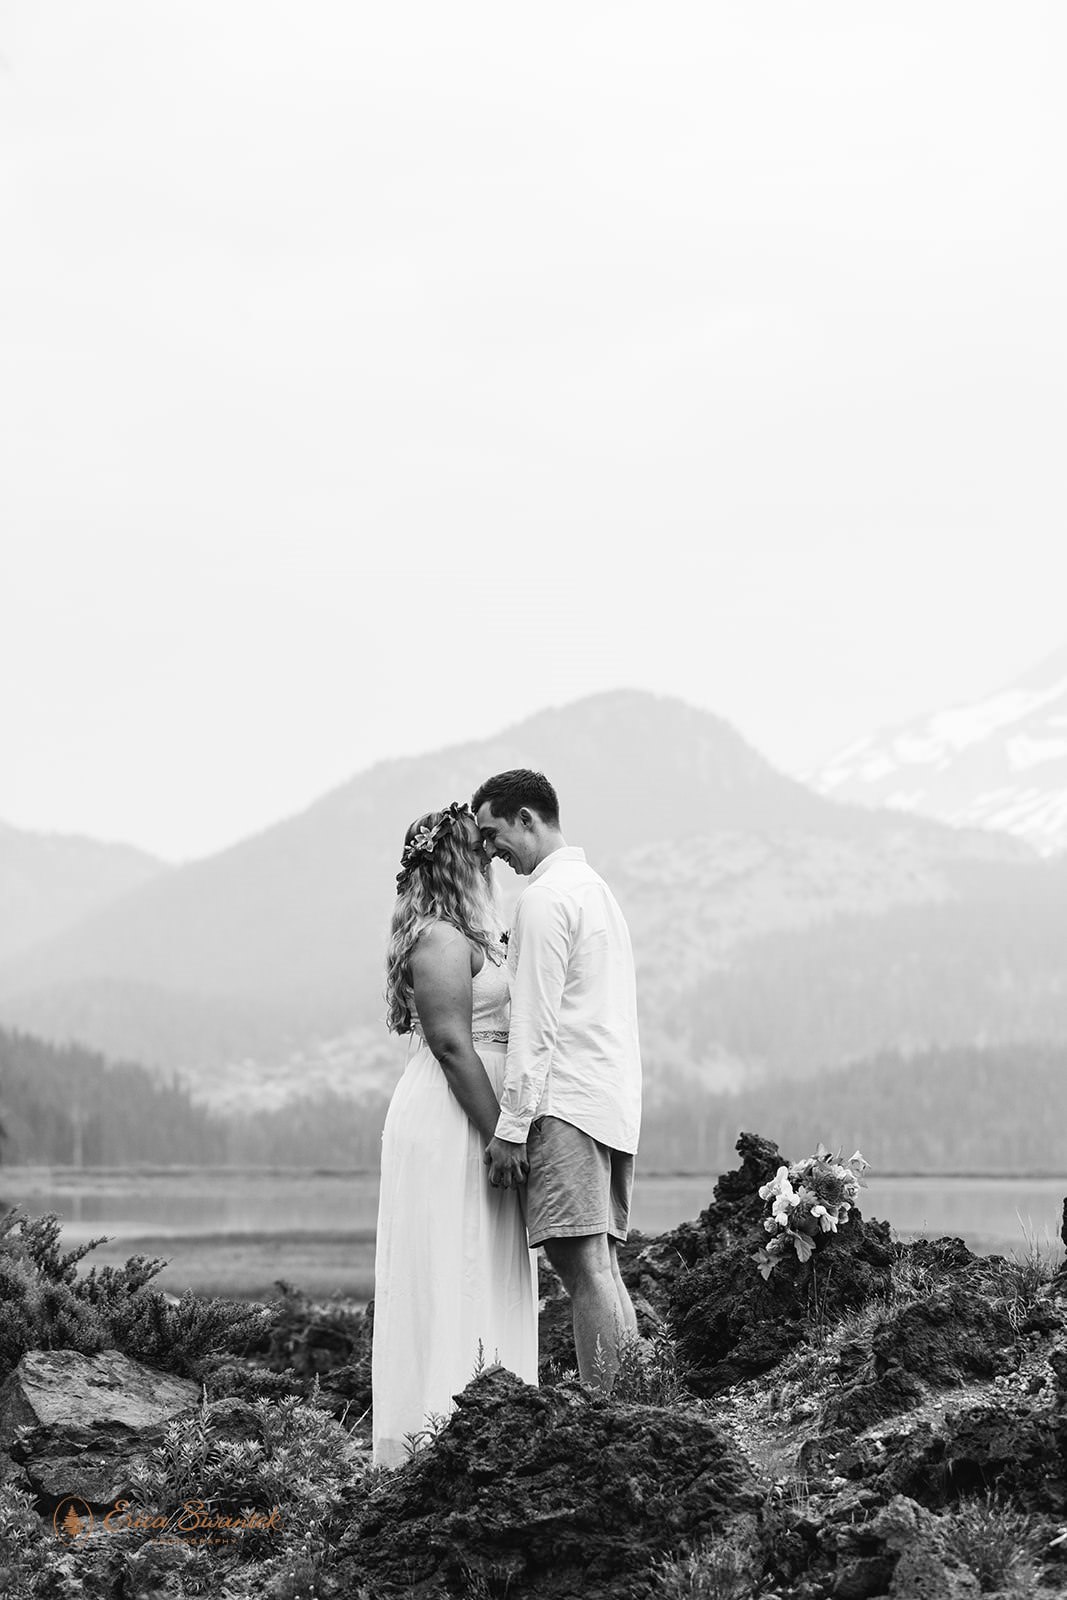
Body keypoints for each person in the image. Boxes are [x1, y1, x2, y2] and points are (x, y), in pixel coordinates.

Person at [372, 800, 538, 1468]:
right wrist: (502, 1129)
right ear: (460, 862)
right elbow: (448, 1042)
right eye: (483, 849)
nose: (495, 858)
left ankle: (488, 1413)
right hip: (453, 1113)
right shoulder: (440, 937)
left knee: (486, 1256)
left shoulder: (472, 934)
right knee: (454, 1256)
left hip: (480, 1105)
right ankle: (442, 1429)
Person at [472, 770, 642, 1390]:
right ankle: (636, 1403)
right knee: (603, 1267)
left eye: (493, 834)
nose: (491, 851)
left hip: (565, 1105)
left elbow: (534, 1025)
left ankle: (609, 1416)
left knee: (583, 1270)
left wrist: (512, 1127)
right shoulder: (595, 890)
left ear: (527, 819)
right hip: (608, 1103)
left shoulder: (544, 900)